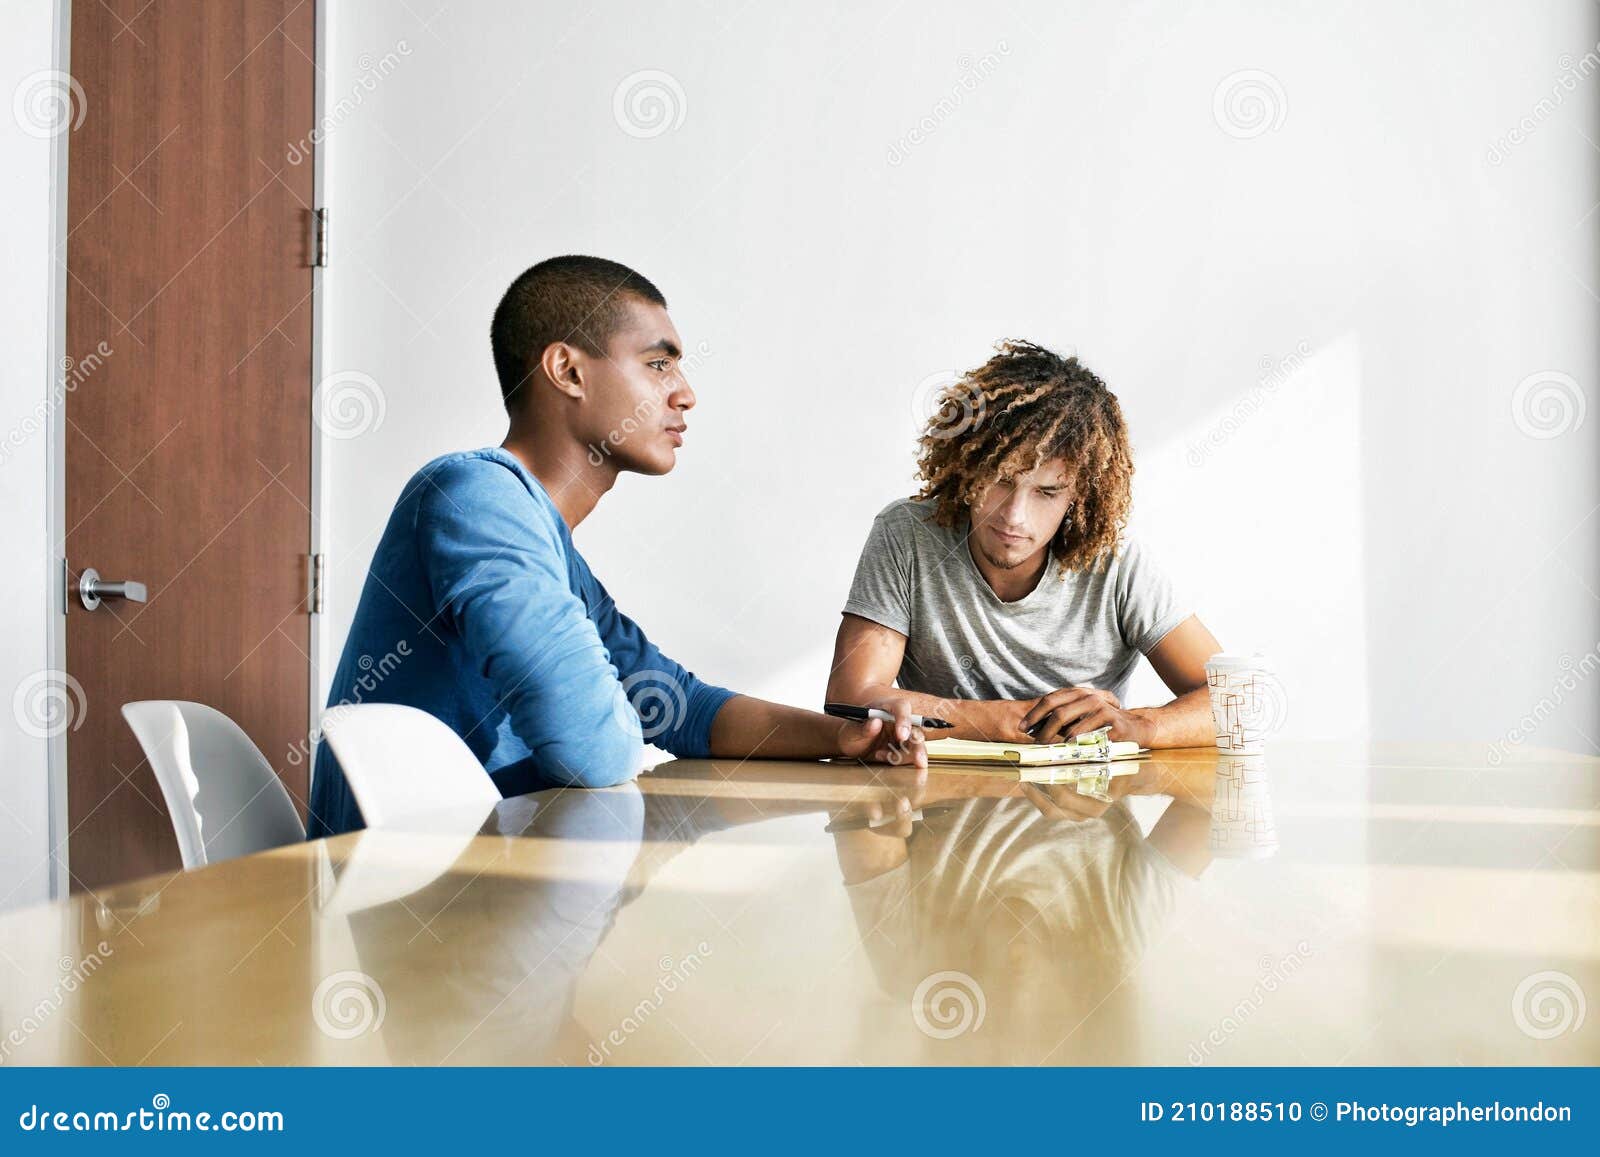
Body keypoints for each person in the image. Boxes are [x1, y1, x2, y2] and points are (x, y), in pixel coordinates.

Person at [307, 255, 923, 838]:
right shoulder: (475, 496)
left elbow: (679, 707)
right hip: (405, 907)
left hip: (495, 883)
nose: (685, 394)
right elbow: (593, 750)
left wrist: (842, 738)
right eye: (659, 365)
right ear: (568, 371)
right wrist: (613, 715)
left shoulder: (550, 550)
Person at [826, 339, 1219, 748]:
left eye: (1046, 493)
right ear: (970, 466)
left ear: (1079, 496)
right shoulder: (907, 534)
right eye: (1002, 481)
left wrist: (1139, 726)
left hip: (1085, 808)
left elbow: (1235, 703)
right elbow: (850, 697)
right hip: (934, 799)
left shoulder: (1116, 562)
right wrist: (1000, 721)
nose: (1014, 516)